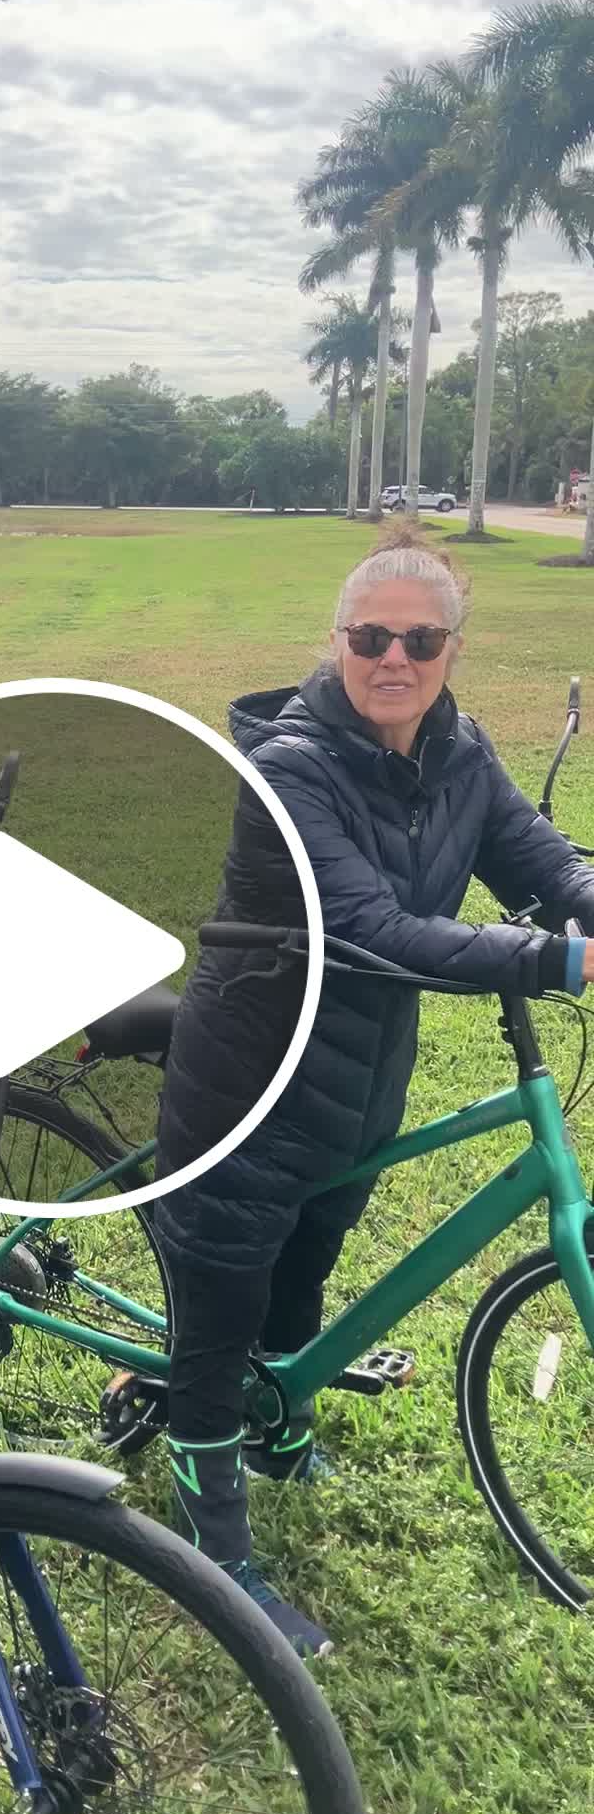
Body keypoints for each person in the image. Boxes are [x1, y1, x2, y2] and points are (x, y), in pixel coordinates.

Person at [153, 523, 594, 1659]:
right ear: (337, 641)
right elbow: (372, 929)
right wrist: (558, 960)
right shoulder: (290, 765)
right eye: (370, 636)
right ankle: (215, 1548)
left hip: (358, 1082)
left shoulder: (461, 752)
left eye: (421, 638)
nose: (393, 658)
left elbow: (540, 860)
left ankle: (280, 1429)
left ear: (453, 649)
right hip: (252, 1078)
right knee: (220, 1314)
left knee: (304, 1272)